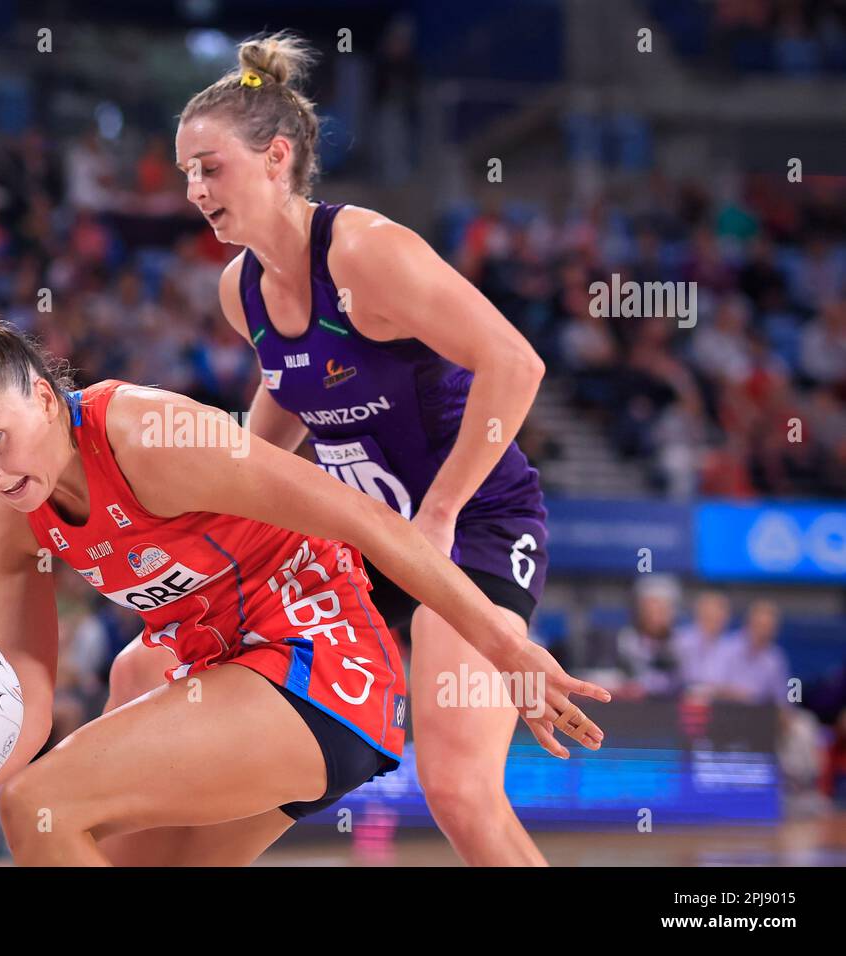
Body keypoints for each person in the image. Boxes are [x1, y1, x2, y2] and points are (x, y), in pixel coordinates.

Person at [0, 261, 608, 866]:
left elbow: (369, 523)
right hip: (234, 682)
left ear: (38, 392)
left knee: (39, 810)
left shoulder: (148, 437)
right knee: (61, 821)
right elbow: (26, 689)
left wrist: (505, 647)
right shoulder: (10, 524)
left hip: (323, 662)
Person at [111, 32, 556, 865]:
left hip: (476, 522)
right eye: (185, 174)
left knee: (460, 790)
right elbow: (290, 390)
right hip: (368, 539)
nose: (194, 189)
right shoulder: (239, 288)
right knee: (152, 669)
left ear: (276, 157)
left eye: (210, 168)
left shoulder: (364, 251)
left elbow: (516, 363)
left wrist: (441, 513)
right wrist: (218, 511)